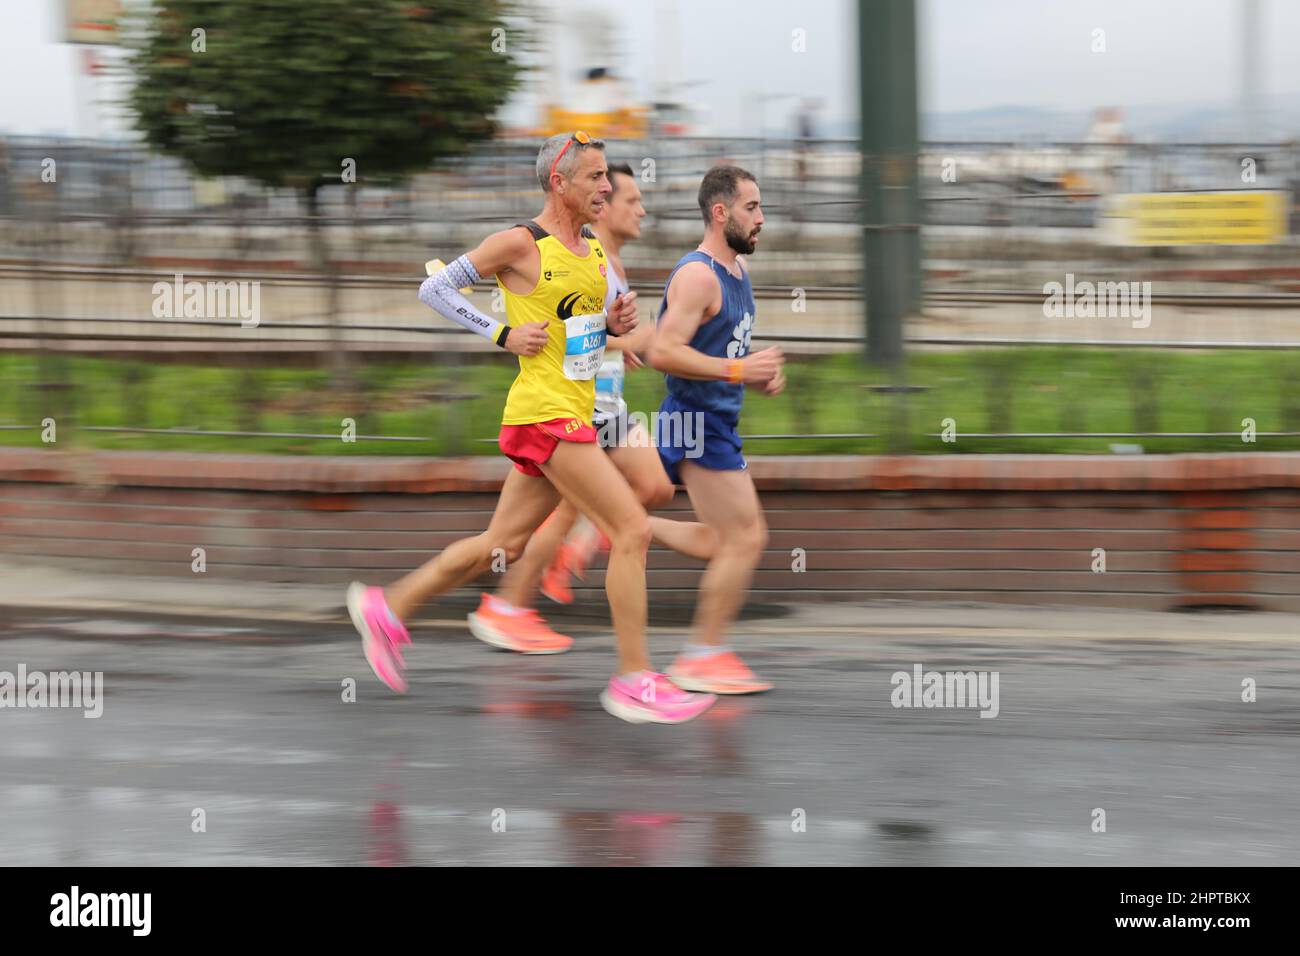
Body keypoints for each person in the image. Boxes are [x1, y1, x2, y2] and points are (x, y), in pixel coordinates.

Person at [346, 133, 715, 724]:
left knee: (503, 545)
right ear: (558, 183)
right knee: (629, 530)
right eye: (595, 177)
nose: (606, 187)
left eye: (606, 178)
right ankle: (633, 679)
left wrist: (615, 326)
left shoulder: (592, 249)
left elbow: (582, 333)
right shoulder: (520, 244)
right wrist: (501, 334)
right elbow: (435, 287)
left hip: (572, 410)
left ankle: (387, 606)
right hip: (547, 414)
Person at [466, 162, 674, 653]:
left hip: (605, 401)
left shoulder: (605, 259)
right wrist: (646, 341)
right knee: (584, 509)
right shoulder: (580, 256)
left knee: (649, 487)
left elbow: (597, 331)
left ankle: (540, 577)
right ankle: (512, 602)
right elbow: (571, 331)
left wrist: (623, 339)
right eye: (630, 200)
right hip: (579, 405)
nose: (640, 209)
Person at [645, 165, 785, 695]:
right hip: (695, 421)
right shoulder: (698, 274)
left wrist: (756, 372)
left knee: (722, 541)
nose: (762, 219)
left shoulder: (736, 275)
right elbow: (663, 350)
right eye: (752, 208)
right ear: (720, 212)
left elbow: (717, 347)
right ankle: (703, 654)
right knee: (747, 537)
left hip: (714, 419)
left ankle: (618, 525)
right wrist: (738, 371)